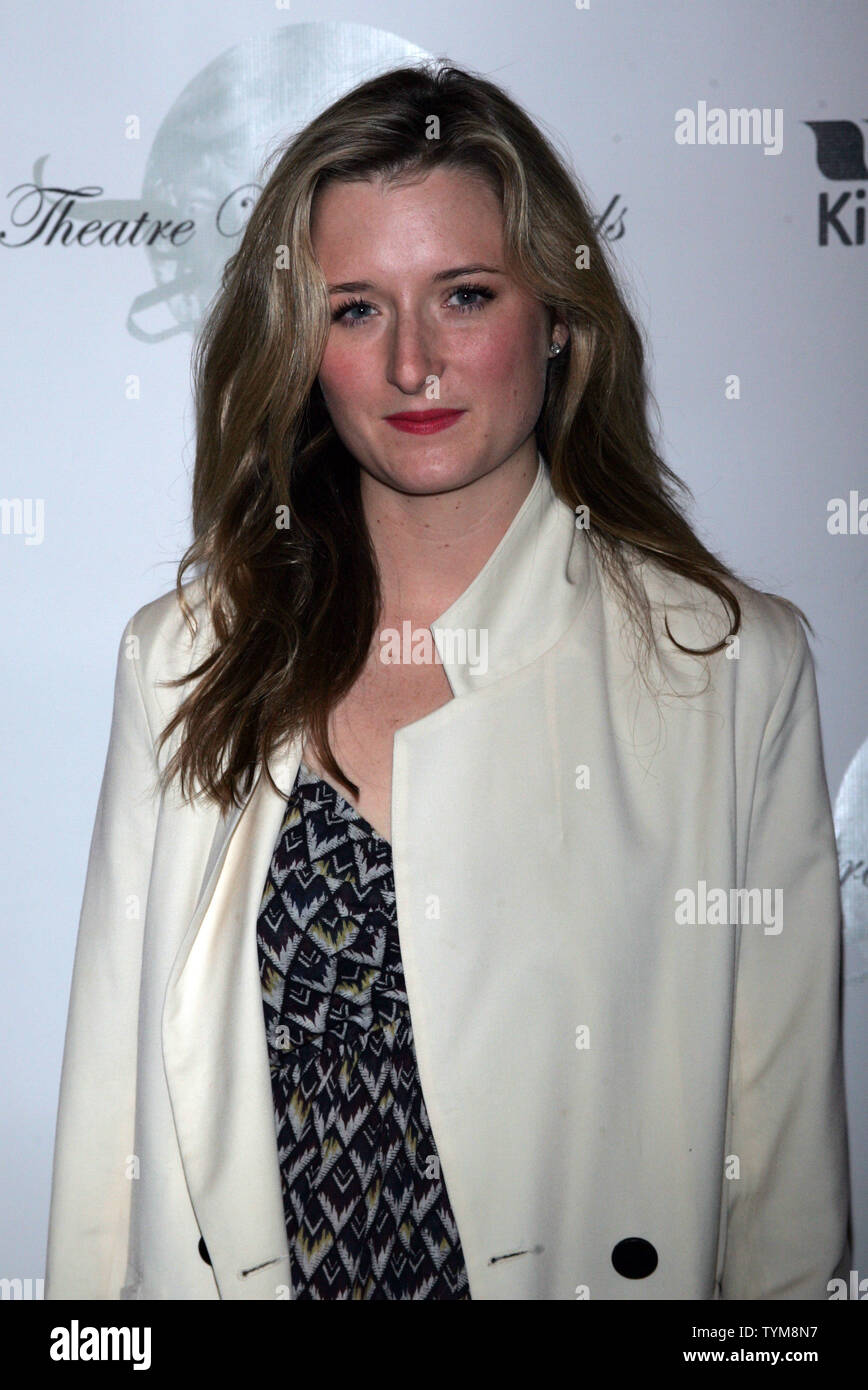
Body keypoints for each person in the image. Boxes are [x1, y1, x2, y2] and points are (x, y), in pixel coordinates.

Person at [45, 59, 850, 1301]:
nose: (413, 362)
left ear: (559, 316)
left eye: (463, 295)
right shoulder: (184, 655)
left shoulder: (729, 668)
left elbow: (783, 1202)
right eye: (356, 308)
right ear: (303, 343)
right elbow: (112, 1153)